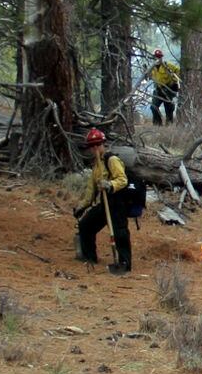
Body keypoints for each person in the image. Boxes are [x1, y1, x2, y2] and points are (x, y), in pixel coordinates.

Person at [74, 128, 133, 274]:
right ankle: (89, 257)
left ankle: (124, 263)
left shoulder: (112, 160)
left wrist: (110, 185)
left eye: (97, 145)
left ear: (101, 145)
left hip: (117, 203)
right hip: (104, 203)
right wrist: (82, 206)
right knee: (86, 224)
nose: (94, 149)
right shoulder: (97, 165)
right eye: (92, 146)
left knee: (119, 233)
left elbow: (123, 180)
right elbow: (91, 189)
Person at [147, 50, 180, 126]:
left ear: (162, 57)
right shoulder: (152, 68)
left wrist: (174, 80)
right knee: (153, 107)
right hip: (158, 90)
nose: (158, 59)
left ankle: (169, 125)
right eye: (156, 57)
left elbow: (178, 71)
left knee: (169, 109)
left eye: (159, 57)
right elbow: (149, 77)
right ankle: (157, 125)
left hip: (167, 90)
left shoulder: (167, 65)